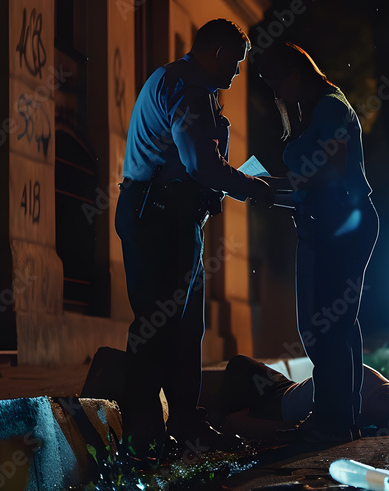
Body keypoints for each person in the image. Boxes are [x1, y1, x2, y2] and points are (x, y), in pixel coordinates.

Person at [116, 19, 274, 465]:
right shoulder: (189, 88)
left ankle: (183, 426)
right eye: (238, 63)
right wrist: (252, 187)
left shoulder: (172, 79)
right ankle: (146, 438)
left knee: (183, 330)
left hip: (169, 215)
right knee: (158, 328)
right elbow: (202, 164)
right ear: (220, 52)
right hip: (161, 217)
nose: (238, 73)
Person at [258, 43, 379, 443]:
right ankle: (342, 415)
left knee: (326, 324)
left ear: (295, 73)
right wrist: (267, 188)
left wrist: (280, 187)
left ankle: (333, 418)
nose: (278, 95)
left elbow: (331, 171)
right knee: (336, 323)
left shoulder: (328, 108)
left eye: (278, 85)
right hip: (337, 220)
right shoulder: (322, 108)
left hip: (340, 224)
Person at [218, 355, 389, 439]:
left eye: (385, 401)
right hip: (285, 387)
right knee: (241, 364)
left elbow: (298, 430)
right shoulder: (373, 385)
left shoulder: (350, 416)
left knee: (240, 369)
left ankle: (218, 421)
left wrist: (241, 423)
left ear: (372, 419)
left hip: (276, 407)